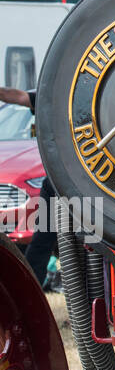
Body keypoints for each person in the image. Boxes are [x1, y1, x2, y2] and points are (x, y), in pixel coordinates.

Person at [0, 86, 56, 286]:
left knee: (91, 247)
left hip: (80, 186)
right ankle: (29, 289)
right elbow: (18, 96)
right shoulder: (54, 96)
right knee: (41, 243)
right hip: (57, 183)